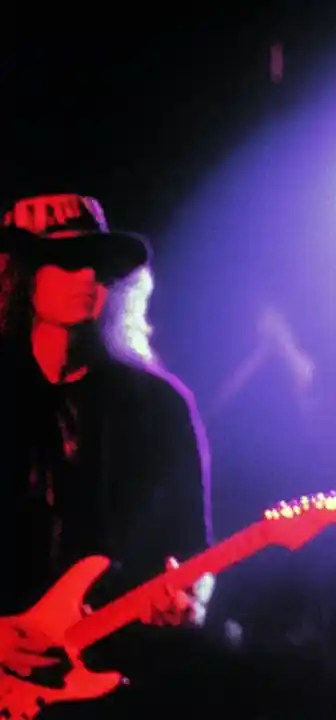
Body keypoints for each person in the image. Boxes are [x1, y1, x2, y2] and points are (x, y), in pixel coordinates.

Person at [0, 193, 215, 717]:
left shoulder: (160, 406)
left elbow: (193, 553)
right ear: (21, 275)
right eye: (67, 261)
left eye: (96, 264)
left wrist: (191, 602)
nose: (86, 278)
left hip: (119, 687)